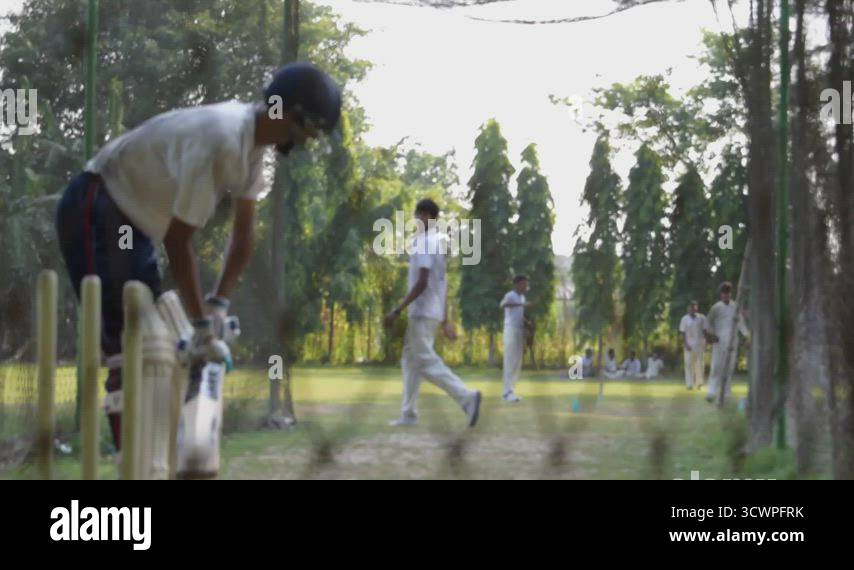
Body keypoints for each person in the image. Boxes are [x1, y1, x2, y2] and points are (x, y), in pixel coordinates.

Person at [55, 62, 342, 449]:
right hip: (98, 204)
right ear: (291, 113)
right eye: (309, 130)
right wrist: (202, 327)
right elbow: (178, 242)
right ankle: (139, 460)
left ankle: (161, 454)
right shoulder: (224, 137)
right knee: (130, 344)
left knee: (159, 340)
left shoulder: (253, 147)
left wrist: (218, 304)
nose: (307, 142)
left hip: (131, 224)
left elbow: (243, 237)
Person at [384, 199, 482, 427]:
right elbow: (442, 283)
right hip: (431, 312)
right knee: (410, 360)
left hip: (421, 312)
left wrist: (397, 310)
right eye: (418, 215)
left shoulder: (425, 242)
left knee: (425, 360)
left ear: (431, 218)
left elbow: (423, 282)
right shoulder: (437, 242)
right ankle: (408, 413)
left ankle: (466, 397)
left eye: (423, 215)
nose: (419, 219)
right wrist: (445, 318)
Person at [705, 282, 750, 403]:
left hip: (732, 340)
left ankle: (726, 392)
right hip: (719, 341)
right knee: (716, 366)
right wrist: (711, 336)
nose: (726, 296)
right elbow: (708, 324)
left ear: (730, 294)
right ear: (721, 294)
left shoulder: (735, 306)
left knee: (729, 368)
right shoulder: (715, 308)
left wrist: (747, 336)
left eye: (728, 293)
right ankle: (711, 392)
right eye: (724, 293)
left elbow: (741, 324)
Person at [500, 275, 531, 402]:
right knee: (510, 360)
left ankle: (511, 390)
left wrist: (527, 323)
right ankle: (506, 392)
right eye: (523, 284)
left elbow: (519, 314)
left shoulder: (523, 297)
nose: (525, 286)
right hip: (510, 329)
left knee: (517, 362)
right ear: (517, 284)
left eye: (526, 284)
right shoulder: (510, 295)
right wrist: (522, 305)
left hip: (519, 330)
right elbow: (503, 305)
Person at [679, 300, 707, 390]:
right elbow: (682, 333)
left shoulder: (702, 318)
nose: (692, 309)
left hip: (699, 344)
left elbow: (705, 331)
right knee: (688, 364)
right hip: (689, 345)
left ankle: (699, 384)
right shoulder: (684, 319)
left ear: (696, 308)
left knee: (699, 365)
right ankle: (689, 384)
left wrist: (705, 342)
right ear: (688, 308)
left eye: (694, 307)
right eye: (690, 307)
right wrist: (685, 344)